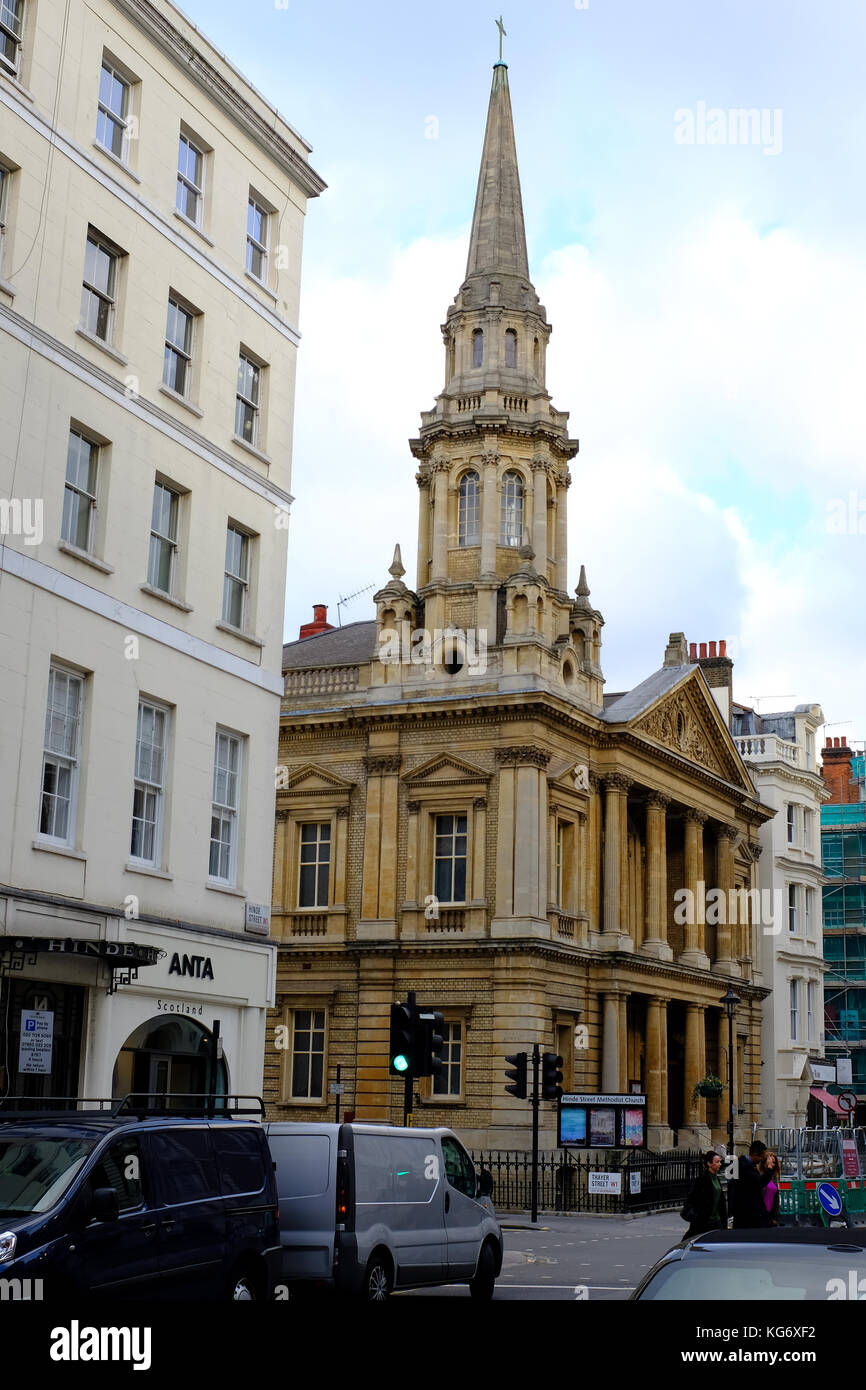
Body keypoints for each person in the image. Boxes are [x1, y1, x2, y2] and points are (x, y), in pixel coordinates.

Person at [682, 1150, 728, 1241]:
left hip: (716, 1219)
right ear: (709, 1163)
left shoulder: (716, 1178)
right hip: (704, 1219)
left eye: (720, 1162)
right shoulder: (703, 1179)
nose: (719, 1164)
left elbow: (720, 1200)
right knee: (694, 1240)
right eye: (717, 1162)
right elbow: (694, 1198)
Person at [730, 1140, 773, 1228]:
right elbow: (759, 1182)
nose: (762, 1160)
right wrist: (769, 1169)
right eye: (761, 1157)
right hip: (746, 1213)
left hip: (747, 1212)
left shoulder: (746, 1165)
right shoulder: (743, 1167)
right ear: (755, 1154)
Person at [758, 1150, 781, 1226]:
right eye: (770, 1162)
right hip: (759, 1216)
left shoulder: (773, 1178)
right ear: (764, 1162)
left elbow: (776, 1199)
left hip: (770, 1217)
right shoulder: (758, 1176)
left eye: (774, 1162)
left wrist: (775, 1218)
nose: (772, 1165)